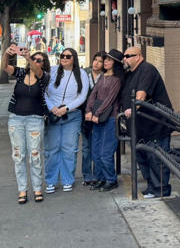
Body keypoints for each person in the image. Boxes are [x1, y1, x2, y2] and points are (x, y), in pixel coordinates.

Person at [119, 45, 174, 198]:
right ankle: (151, 187)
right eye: (124, 56)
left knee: (156, 158)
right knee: (142, 158)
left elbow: (141, 96)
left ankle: (161, 189)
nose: (125, 59)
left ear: (138, 57)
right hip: (139, 127)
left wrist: (133, 108)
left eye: (128, 56)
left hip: (155, 125)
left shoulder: (147, 69)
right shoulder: (129, 74)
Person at [1, 45, 50, 204]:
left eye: (39, 60)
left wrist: (28, 57)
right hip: (16, 119)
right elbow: (5, 67)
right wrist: (6, 54)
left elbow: (38, 72)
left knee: (35, 155)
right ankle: (22, 189)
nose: (35, 61)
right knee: (18, 156)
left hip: (35, 119)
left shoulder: (44, 77)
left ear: (43, 64)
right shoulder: (21, 73)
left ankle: (37, 188)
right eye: (34, 59)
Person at [44, 47, 88, 193]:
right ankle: (51, 181)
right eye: (62, 56)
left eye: (68, 56)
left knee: (69, 148)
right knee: (52, 149)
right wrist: (52, 107)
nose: (64, 58)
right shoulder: (52, 71)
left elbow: (82, 96)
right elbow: (43, 91)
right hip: (53, 114)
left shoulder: (81, 74)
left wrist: (66, 108)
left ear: (74, 58)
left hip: (72, 115)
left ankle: (68, 180)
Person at [85, 49, 125, 191]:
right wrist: (89, 110)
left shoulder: (116, 80)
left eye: (109, 60)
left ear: (116, 63)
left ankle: (111, 179)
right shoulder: (102, 76)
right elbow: (93, 95)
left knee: (105, 153)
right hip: (97, 118)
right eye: (105, 59)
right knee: (95, 152)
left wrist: (97, 113)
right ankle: (100, 178)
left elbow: (110, 100)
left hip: (110, 119)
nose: (105, 62)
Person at [81, 51, 106, 186]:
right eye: (95, 60)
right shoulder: (84, 73)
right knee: (86, 147)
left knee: (97, 146)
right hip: (85, 115)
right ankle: (87, 175)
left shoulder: (106, 76)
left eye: (100, 61)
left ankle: (97, 174)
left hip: (100, 115)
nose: (96, 63)